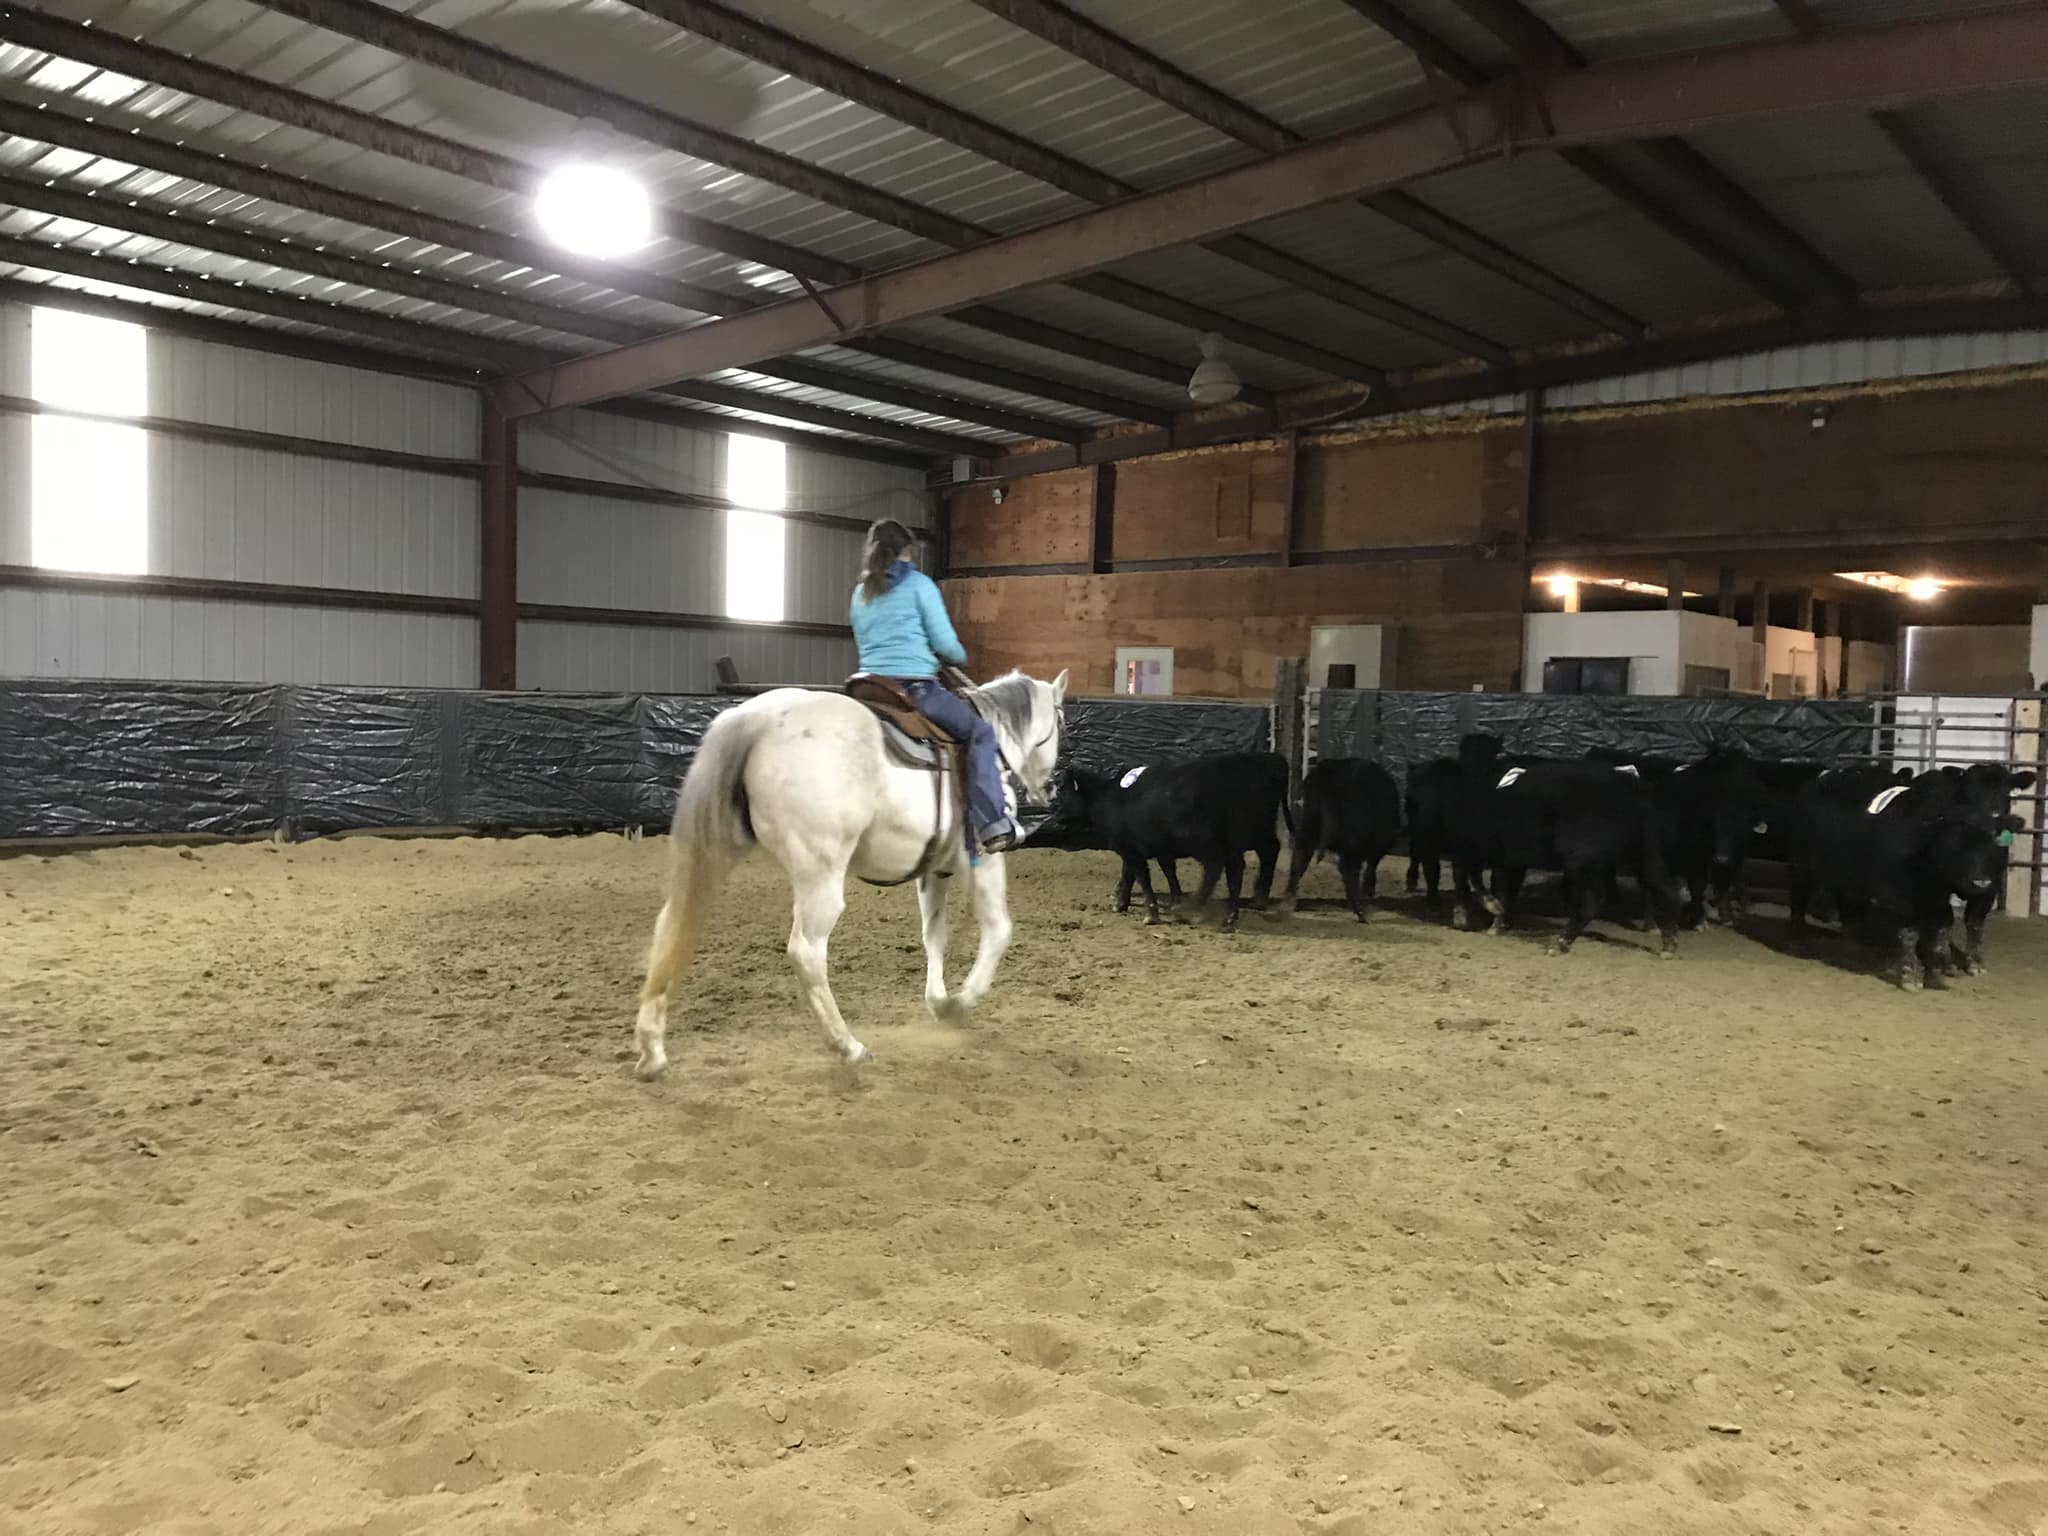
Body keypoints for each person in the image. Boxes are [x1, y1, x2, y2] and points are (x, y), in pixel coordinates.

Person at [849, 518, 1020, 854]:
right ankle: (992, 825)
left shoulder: (861, 592)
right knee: (981, 734)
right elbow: (945, 643)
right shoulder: (919, 585)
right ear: (907, 551)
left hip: (868, 687)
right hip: (913, 688)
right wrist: (957, 656)